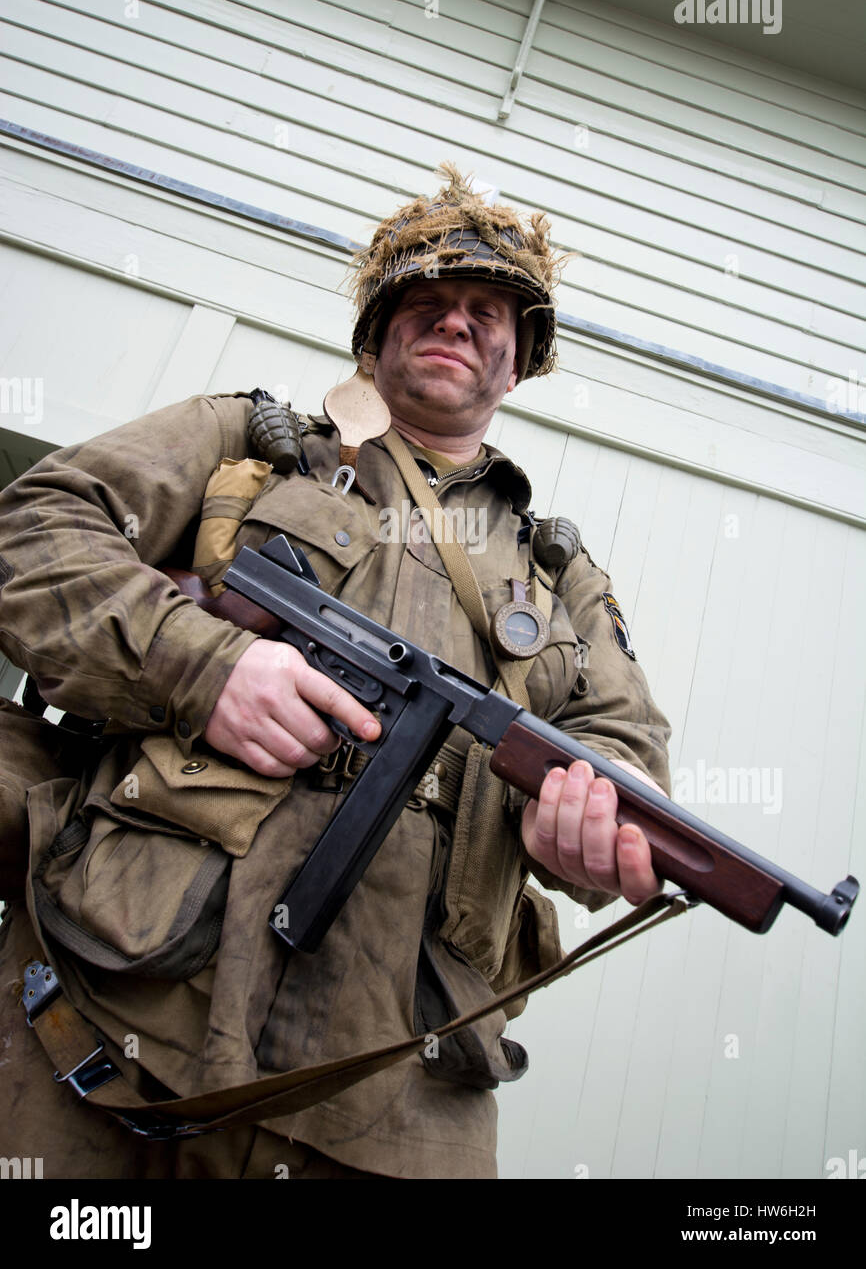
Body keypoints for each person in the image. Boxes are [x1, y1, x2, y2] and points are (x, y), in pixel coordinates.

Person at [0, 165, 671, 1179]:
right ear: (374, 334)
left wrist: (583, 823)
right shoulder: (246, 447)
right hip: (109, 1006)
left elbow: (625, 754)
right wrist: (205, 665)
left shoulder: (558, 574)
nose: (454, 322)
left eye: (486, 310)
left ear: (520, 360)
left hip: (392, 1095)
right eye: (426, 302)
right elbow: (36, 529)